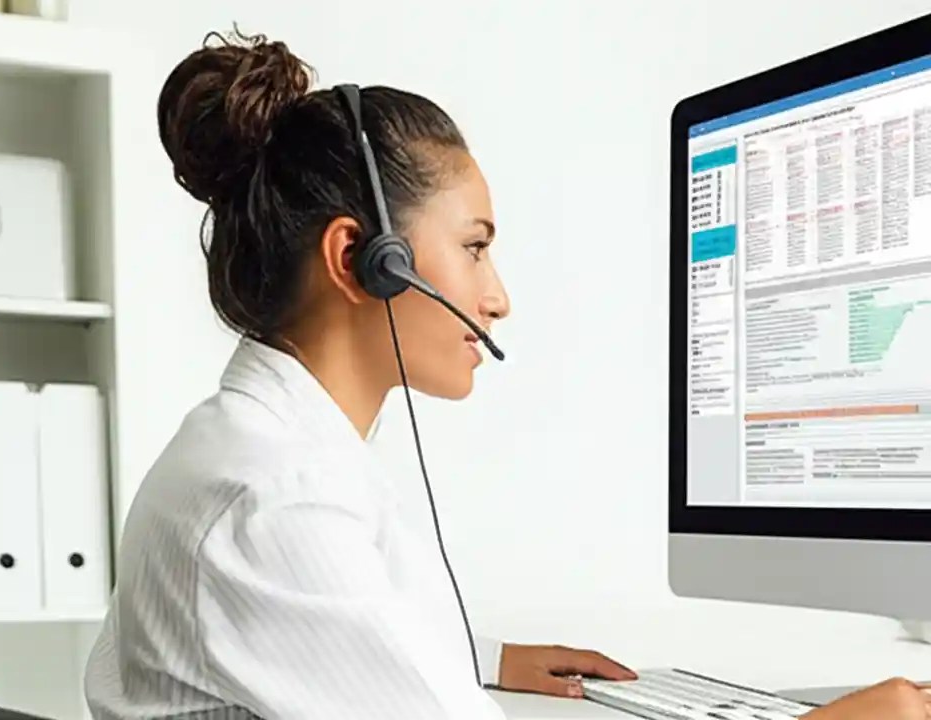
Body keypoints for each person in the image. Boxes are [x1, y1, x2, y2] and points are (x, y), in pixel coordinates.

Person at [83, 28, 931, 720]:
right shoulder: (273, 500)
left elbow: (310, 631)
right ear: (363, 261)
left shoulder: (263, 449)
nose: (498, 298)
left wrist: (474, 658)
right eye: (475, 248)